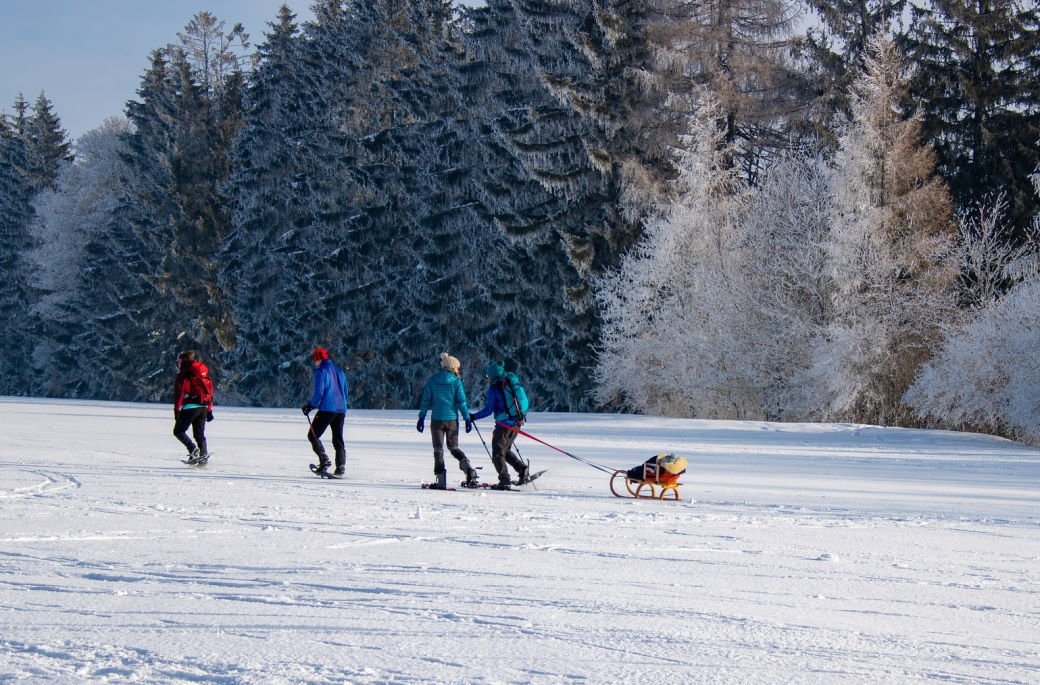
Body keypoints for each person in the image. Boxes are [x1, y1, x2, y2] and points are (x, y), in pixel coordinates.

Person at [418, 353, 479, 489]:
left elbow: (426, 400)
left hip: (436, 420)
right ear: (452, 368)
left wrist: (421, 417)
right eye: (457, 368)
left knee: (438, 450)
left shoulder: (433, 380)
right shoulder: (456, 382)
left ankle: (441, 481)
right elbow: (461, 402)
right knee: (453, 447)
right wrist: (467, 419)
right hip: (452, 419)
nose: (458, 370)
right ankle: (469, 470)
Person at [469, 361, 531, 490]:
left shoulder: (495, 388)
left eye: (488, 376)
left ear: (493, 376)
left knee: (497, 453)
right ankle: (522, 469)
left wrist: (473, 416)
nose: (488, 379)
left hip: (504, 426)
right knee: (505, 450)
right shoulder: (510, 382)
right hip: (516, 424)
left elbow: (488, 410)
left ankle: (504, 480)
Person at [302, 348, 348, 478]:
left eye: (315, 359)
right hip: (341, 409)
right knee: (338, 439)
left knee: (313, 435)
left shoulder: (320, 372)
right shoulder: (340, 371)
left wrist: (310, 406)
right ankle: (340, 468)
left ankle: (324, 461)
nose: (314, 361)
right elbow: (345, 391)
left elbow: (319, 393)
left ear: (318, 358)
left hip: (327, 409)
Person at [172, 350, 214, 463]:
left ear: (183, 361)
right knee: (199, 434)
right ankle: (203, 455)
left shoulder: (183, 375)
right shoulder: (203, 376)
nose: (178, 364)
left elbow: (179, 394)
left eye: (179, 361)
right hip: (204, 407)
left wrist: (177, 411)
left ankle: (192, 449)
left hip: (190, 407)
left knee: (178, 431)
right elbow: (210, 393)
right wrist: (209, 410)